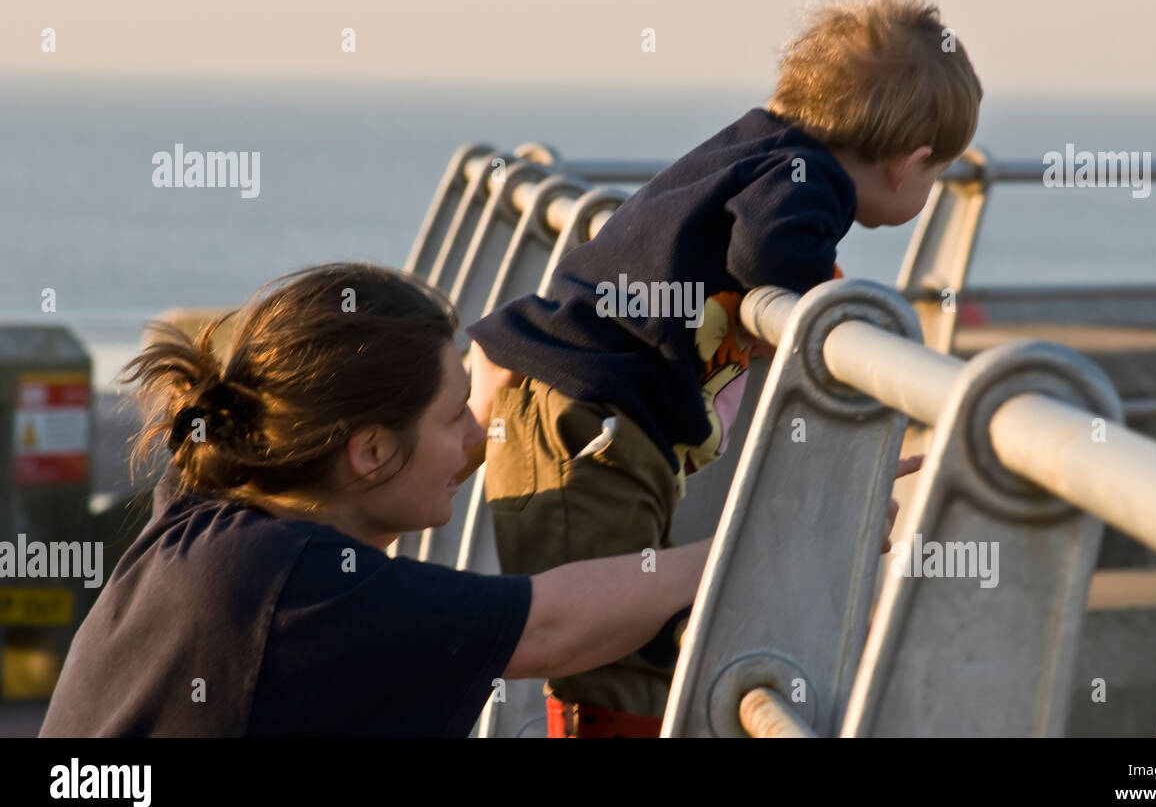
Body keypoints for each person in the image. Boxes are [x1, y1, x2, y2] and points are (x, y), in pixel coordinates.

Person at [464, 0, 983, 736]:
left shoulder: (761, 146)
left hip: (596, 415)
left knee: (629, 625)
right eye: (936, 172)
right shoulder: (811, 181)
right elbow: (769, 255)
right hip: (592, 424)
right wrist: (822, 312)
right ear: (910, 161)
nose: (927, 187)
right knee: (611, 646)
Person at [38, 262, 712, 737]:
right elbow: (551, 628)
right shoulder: (304, 587)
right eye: (455, 420)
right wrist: (732, 550)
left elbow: (386, 473)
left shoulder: (210, 502)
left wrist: (479, 397)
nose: (480, 435)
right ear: (368, 452)